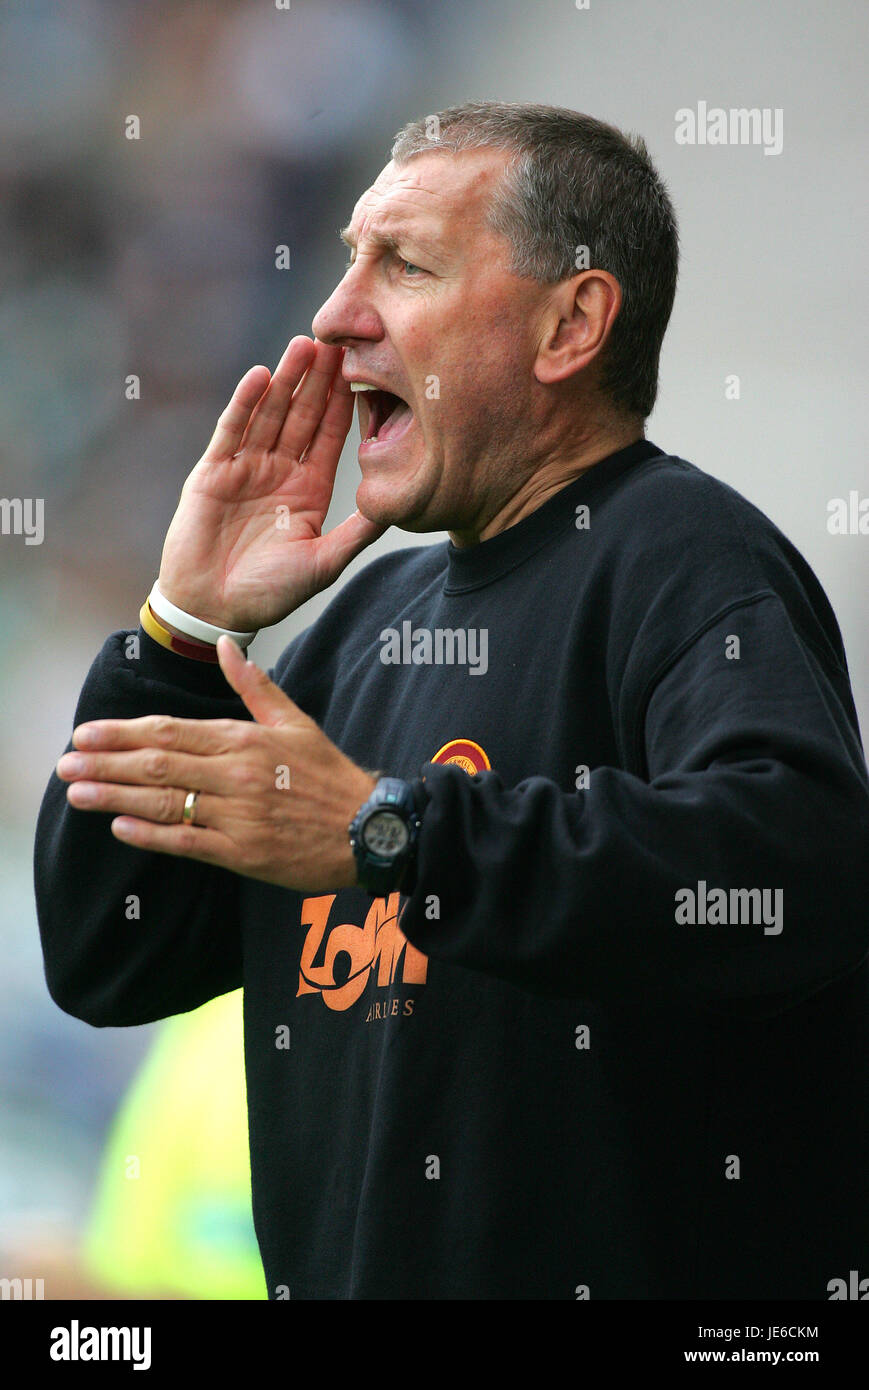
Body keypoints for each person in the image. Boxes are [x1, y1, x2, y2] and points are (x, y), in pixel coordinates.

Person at [35, 101, 869, 1300]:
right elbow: (108, 955)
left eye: (404, 264)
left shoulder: (683, 556)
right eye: (345, 259)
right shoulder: (364, 625)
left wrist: (390, 832)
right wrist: (185, 626)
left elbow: (798, 870)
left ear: (568, 323)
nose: (333, 314)